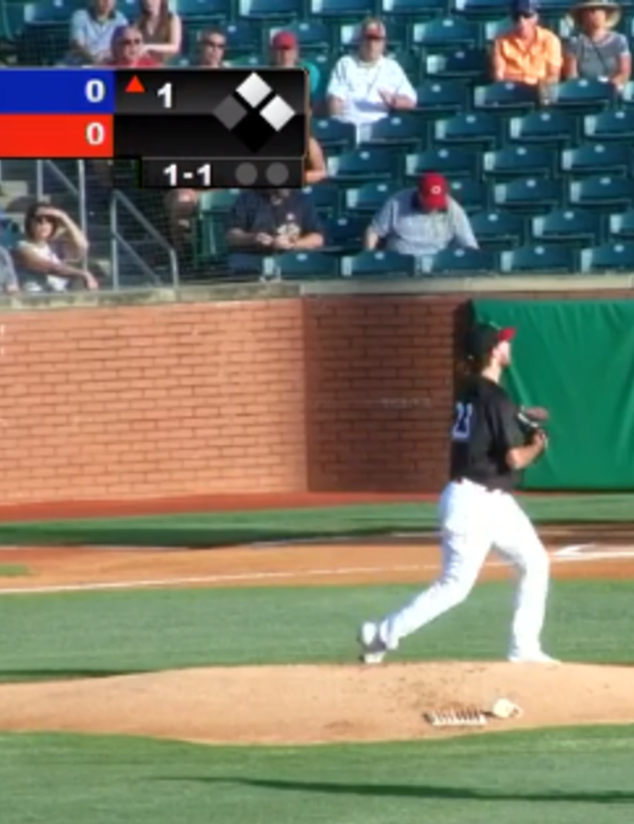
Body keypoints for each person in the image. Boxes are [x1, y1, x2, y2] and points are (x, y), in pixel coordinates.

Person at [357, 322, 557, 665]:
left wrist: (518, 415)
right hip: (473, 503)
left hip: (489, 500)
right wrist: (536, 445)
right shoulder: (494, 397)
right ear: (493, 352)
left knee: (535, 563)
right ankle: (382, 634)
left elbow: (489, 424)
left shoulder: (469, 391)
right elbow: (513, 457)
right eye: (503, 343)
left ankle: (524, 648)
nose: (508, 346)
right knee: (455, 587)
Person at [325, 18, 417, 143]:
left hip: (378, 129)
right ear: (360, 40)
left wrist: (394, 101)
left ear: (384, 43)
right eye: (368, 38)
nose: (372, 44)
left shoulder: (391, 67)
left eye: (377, 39)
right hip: (348, 127)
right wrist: (336, 121)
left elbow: (411, 101)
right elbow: (334, 101)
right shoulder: (346, 63)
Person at [363, 172, 480, 258]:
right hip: (400, 265)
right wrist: (369, 258)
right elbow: (374, 231)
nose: (433, 207)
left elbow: (469, 244)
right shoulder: (396, 203)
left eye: (437, 202)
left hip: (437, 265)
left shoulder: (453, 208)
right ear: (418, 193)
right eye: (429, 202)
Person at [224, 187, 325, 277]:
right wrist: (254, 238)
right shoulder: (247, 198)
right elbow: (231, 236)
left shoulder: (301, 200)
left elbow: (317, 238)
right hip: (254, 260)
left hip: (291, 262)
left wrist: (292, 244)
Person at [13, 204, 100, 292]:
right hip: (34, 299)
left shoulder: (55, 246)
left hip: (57, 296)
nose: (44, 224)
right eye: (39, 220)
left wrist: (64, 217)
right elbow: (49, 267)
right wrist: (82, 274)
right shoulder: (21, 247)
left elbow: (82, 246)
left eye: (49, 220)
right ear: (30, 223)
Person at [492, 0, 564, 100]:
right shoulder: (501, 42)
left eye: (526, 15)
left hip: (540, 94)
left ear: (535, 17)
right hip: (511, 94)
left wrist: (536, 89)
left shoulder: (550, 40)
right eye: (516, 17)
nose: (521, 21)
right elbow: (499, 76)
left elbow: (553, 76)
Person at [563, 0, 631, 91]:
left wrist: (608, 86)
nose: (594, 14)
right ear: (582, 16)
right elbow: (571, 76)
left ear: (606, 14)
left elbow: (624, 73)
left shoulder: (619, 40)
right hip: (584, 91)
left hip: (612, 90)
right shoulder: (574, 43)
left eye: (598, 10)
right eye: (590, 11)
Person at [68, 0, 127, 65]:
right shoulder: (80, 16)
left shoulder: (120, 18)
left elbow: (122, 44)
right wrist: (93, 60)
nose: (107, 2)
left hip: (110, 61)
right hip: (84, 60)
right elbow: (78, 45)